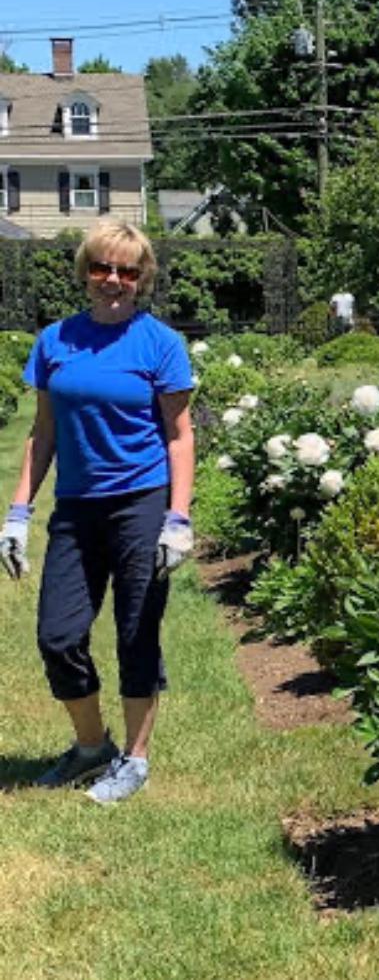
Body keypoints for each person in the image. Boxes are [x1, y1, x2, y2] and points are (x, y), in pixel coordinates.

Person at [1, 220, 196, 804]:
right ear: (86, 270)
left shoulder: (160, 343)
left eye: (128, 271)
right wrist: (16, 513)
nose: (114, 280)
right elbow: (43, 432)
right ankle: (93, 747)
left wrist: (177, 519)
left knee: (137, 631)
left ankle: (135, 758)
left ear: (143, 279)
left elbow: (179, 436)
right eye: (103, 267)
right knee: (58, 635)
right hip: (77, 509)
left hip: (141, 502)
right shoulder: (55, 341)